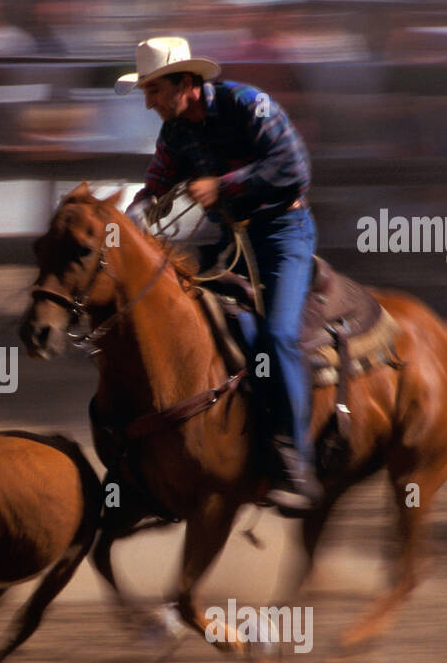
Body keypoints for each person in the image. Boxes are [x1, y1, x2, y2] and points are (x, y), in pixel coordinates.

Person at [116, 36, 322, 515]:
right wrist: (126, 221)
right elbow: (156, 187)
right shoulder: (174, 134)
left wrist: (225, 184)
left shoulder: (249, 105)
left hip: (283, 234)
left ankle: (297, 462)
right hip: (232, 240)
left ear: (185, 84)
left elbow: (293, 168)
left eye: (153, 90)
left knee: (276, 335)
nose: (148, 102)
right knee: (204, 324)